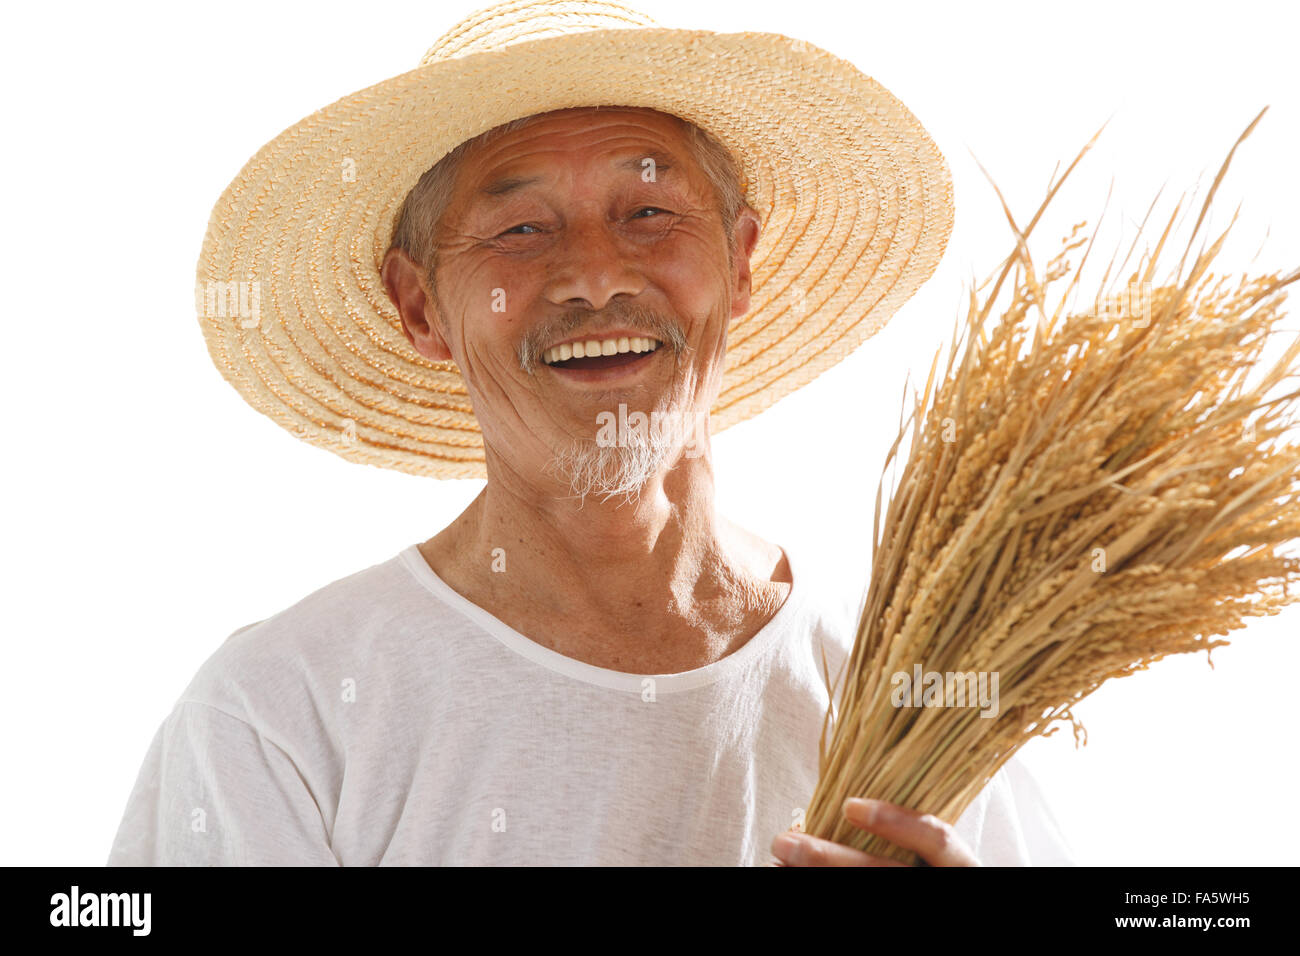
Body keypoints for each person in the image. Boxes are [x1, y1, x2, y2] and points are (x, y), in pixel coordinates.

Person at [108, 0, 1075, 866]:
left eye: (649, 212)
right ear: (420, 306)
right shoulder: (280, 713)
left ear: (740, 262)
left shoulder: (911, 694)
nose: (596, 276)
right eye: (520, 231)